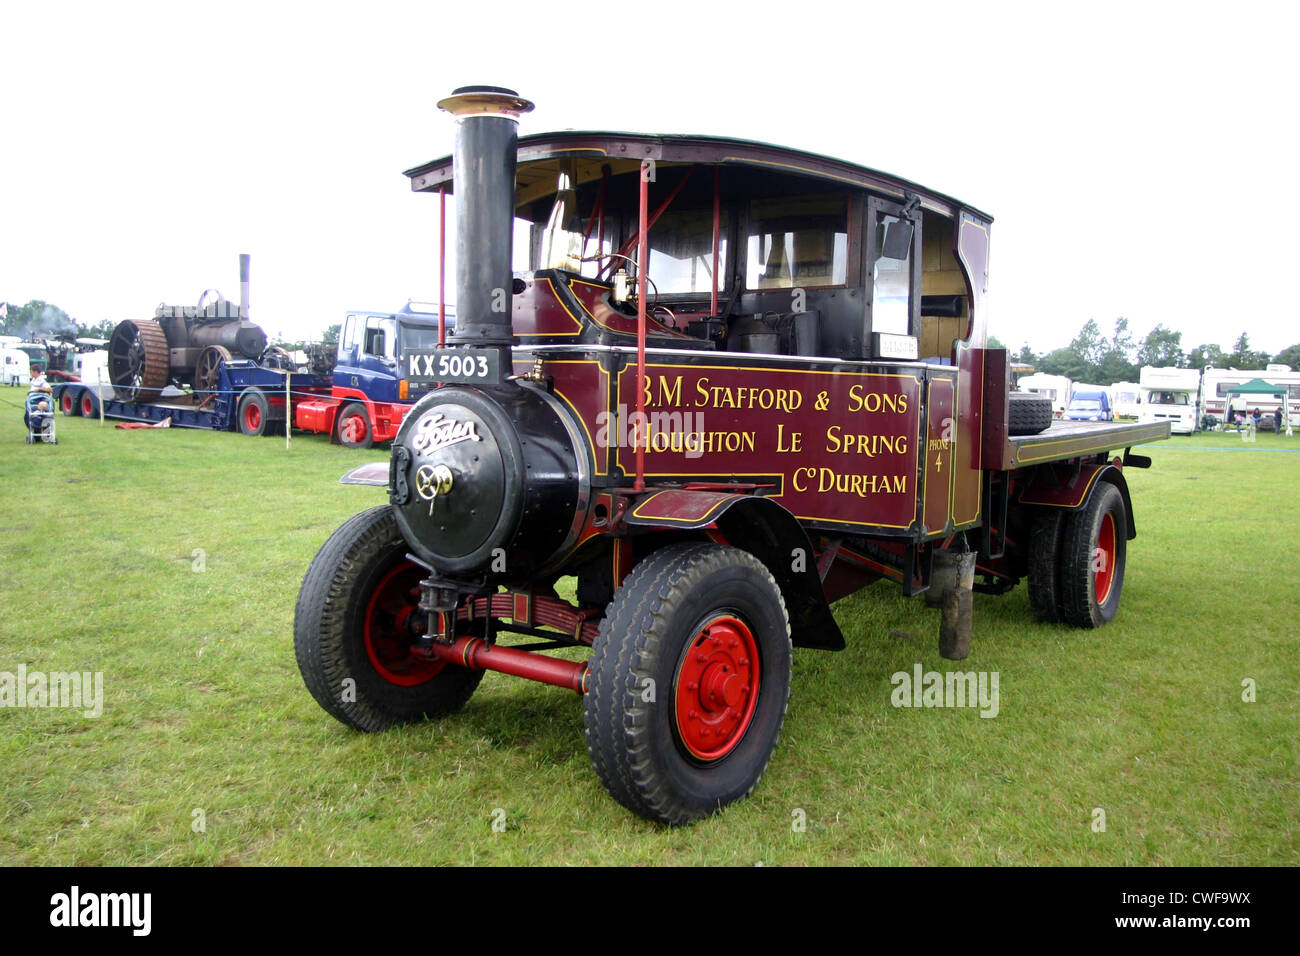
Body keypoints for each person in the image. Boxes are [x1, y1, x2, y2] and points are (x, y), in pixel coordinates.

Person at [24, 365, 51, 431]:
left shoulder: (41, 380)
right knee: (27, 415)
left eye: (31, 372)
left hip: (38, 401)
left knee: (30, 415)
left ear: (35, 372)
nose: (30, 373)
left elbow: (50, 390)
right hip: (31, 400)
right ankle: (34, 429)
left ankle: (37, 429)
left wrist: (39, 389)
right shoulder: (33, 380)